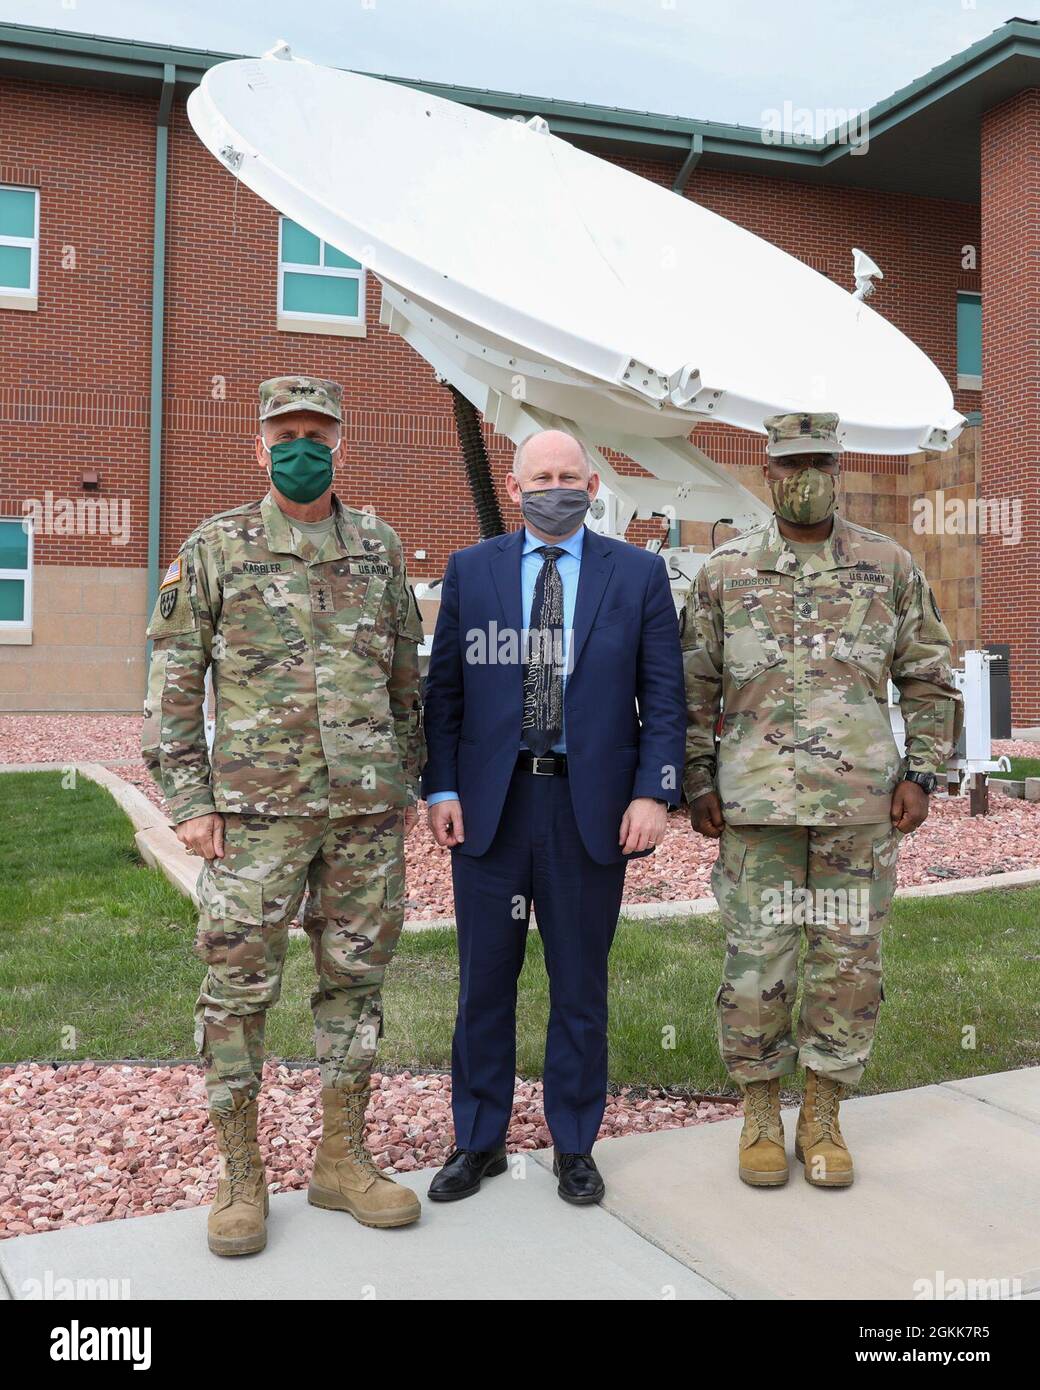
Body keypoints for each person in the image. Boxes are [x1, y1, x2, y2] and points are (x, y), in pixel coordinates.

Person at [142, 375, 425, 1254]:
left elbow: (405, 680)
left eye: (317, 433)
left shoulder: (378, 546)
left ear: (341, 443)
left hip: (363, 817)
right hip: (254, 818)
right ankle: (241, 1174)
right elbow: (173, 687)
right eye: (285, 433)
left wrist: (403, 781)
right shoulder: (216, 546)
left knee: (356, 983)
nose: (302, 447)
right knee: (235, 989)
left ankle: (341, 1160)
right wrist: (189, 802)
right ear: (259, 445)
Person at [683, 410, 963, 1189]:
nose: (804, 477)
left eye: (818, 463)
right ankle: (760, 1114)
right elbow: (692, 686)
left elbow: (929, 676)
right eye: (790, 464)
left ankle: (823, 1115)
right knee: (756, 966)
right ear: (767, 471)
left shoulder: (888, 566)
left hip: (858, 810)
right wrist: (697, 779)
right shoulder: (725, 573)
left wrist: (922, 773)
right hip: (757, 810)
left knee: (848, 966)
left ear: (837, 470)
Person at [421, 428, 686, 1206]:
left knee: (579, 984)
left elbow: (664, 694)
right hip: (492, 810)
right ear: (514, 488)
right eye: (541, 477)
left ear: (593, 487)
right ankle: (478, 1141)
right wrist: (441, 788)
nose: (556, 488)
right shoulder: (472, 571)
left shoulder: (637, 575)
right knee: (483, 983)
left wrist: (654, 791)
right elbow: (444, 692)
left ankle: (575, 1143)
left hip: (589, 810)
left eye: (570, 476)